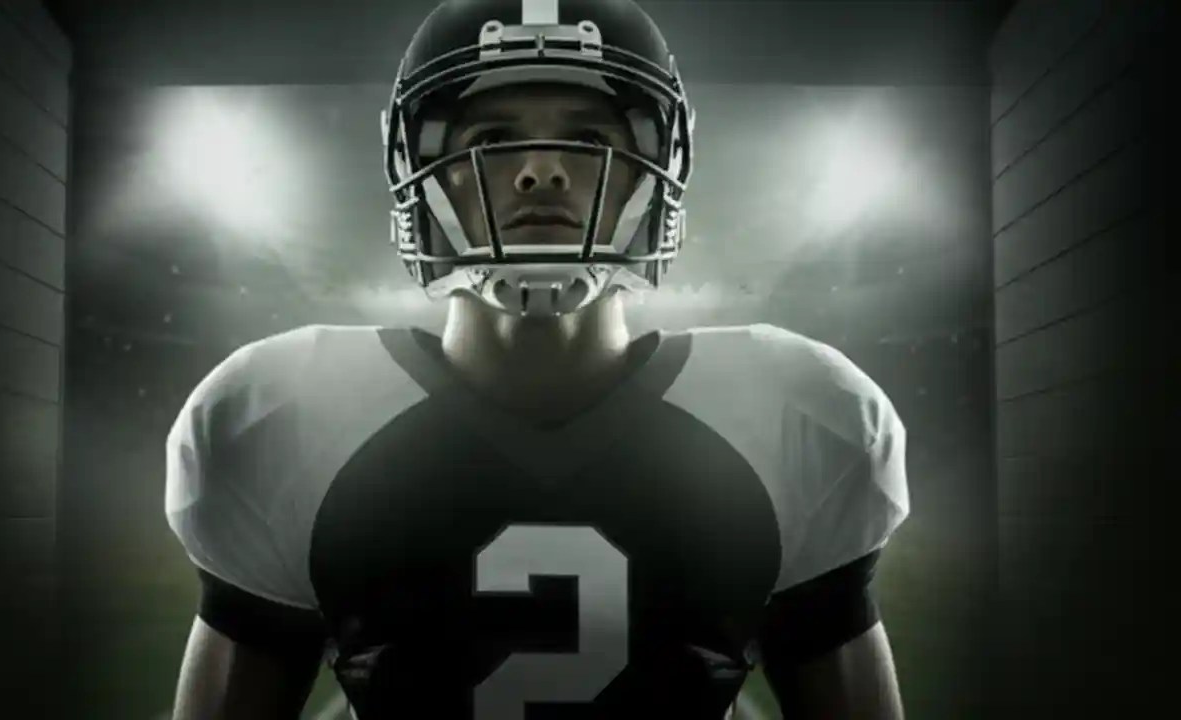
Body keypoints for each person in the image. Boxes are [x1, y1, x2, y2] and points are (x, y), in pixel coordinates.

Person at [165, 1, 910, 718]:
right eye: (491, 137)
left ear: (654, 166)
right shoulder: (287, 418)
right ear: (418, 166)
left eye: (589, 139)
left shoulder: (797, 415)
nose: (542, 171)